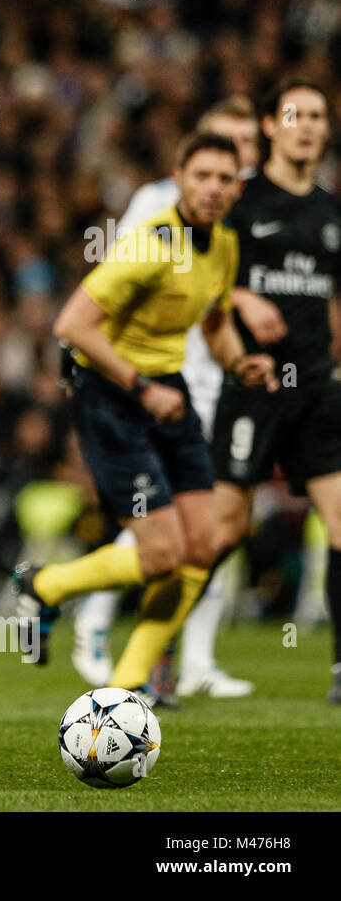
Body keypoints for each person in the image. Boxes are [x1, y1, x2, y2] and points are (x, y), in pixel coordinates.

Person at [13, 132, 277, 701]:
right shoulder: (149, 243)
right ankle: (44, 584)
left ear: (237, 188)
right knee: (160, 554)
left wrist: (241, 362)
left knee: (203, 547)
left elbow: (215, 321)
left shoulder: (224, 245)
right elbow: (72, 325)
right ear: (178, 178)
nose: (213, 188)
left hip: (168, 389)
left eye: (225, 179)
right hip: (111, 394)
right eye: (202, 176)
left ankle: (128, 688)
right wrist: (141, 386)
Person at [207, 79, 341, 704]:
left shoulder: (331, 211)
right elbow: (197, 275)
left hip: (317, 390)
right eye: (295, 115)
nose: (307, 126)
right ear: (269, 125)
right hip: (253, 387)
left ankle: (340, 669)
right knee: (223, 530)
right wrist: (241, 298)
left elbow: (333, 302)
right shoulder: (239, 200)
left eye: (317, 116)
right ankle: (166, 656)